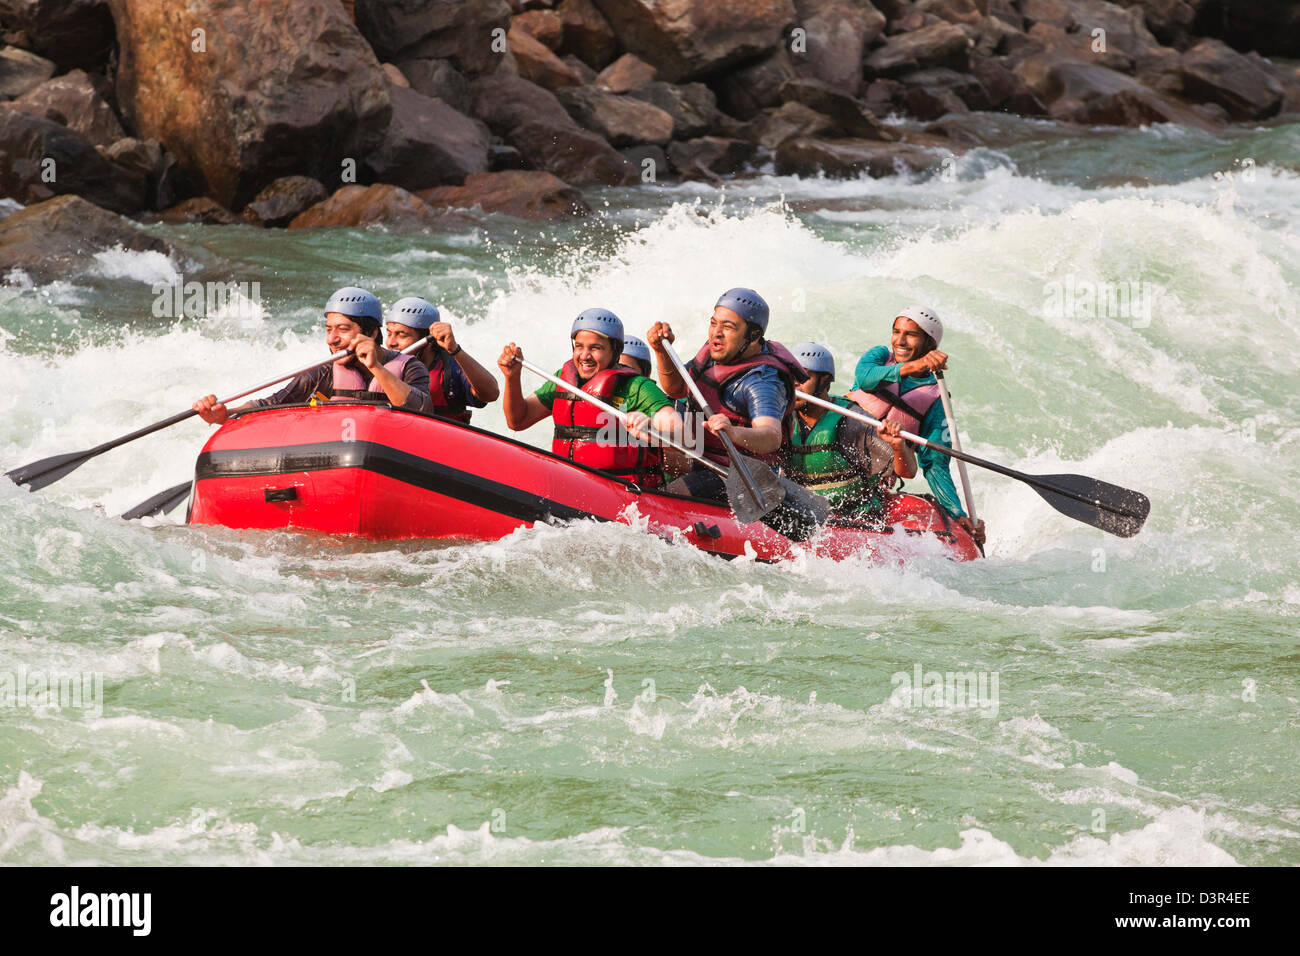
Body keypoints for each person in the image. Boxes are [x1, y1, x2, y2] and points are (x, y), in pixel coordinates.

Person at [647, 287, 807, 500]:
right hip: (703, 459)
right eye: (714, 323)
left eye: (728, 327)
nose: (716, 332)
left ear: (753, 335)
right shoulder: (716, 352)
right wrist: (661, 351)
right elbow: (676, 389)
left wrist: (733, 433)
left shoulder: (763, 380)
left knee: (671, 496)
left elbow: (771, 436)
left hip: (743, 476)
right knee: (645, 457)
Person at [847, 305, 986, 546]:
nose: (899, 340)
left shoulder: (936, 397)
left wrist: (958, 515)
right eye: (896, 331)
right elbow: (865, 378)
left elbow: (935, 465)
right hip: (834, 451)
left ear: (929, 343)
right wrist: (917, 366)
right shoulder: (879, 356)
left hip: (872, 479)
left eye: (911, 334)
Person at [496, 309, 682, 487]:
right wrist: (512, 378)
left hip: (623, 493)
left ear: (615, 352)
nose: (584, 356)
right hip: (570, 482)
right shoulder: (563, 378)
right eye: (579, 346)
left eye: (595, 348)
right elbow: (518, 421)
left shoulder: (637, 386)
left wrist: (652, 429)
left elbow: (684, 436)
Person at [192, 287, 433, 424]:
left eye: (343, 329)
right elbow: (269, 405)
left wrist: (377, 368)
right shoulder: (324, 373)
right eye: (329, 330)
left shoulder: (410, 367)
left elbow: (423, 413)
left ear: (371, 333)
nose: (331, 339)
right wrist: (224, 415)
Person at [784, 342, 916, 516]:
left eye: (802, 378)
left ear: (825, 381)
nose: (794, 385)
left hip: (854, 516)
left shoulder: (853, 422)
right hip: (804, 514)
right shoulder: (781, 416)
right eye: (790, 377)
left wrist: (898, 446)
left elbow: (908, 471)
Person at [383, 296, 499, 422]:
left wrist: (455, 350)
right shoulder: (379, 365)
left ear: (429, 341)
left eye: (402, 335)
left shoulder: (450, 371)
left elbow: (491, 394)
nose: (390, 342)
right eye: (389, 333)